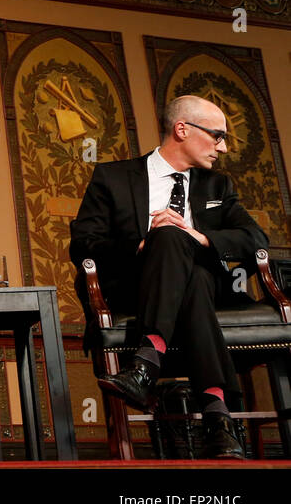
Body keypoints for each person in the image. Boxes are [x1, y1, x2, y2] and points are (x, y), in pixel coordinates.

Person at [69, 94, 268, 459]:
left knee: (186, 256)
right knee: (170, 243)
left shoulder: (217, 186)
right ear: (182, 129)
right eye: (217, 136)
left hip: (209, 289)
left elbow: (256, 239)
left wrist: (197, 237)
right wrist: (145, 244)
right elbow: (84, 244)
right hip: (137, 288)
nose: (223, 147)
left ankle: (146, 363)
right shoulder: (113, 177)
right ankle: (218, 417)